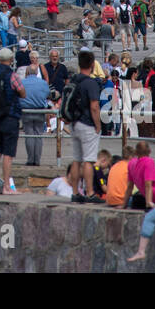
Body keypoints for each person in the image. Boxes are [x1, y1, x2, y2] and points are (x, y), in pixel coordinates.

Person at [0, 47, 27, 196]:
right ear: (11, 60)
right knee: (8, 154)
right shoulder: (13, 76)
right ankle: (6, 188)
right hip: (10, 116)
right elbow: (23, 93)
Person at [64, 50, 103, 202]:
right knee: (89, 160)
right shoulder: (91, 83)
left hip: (74, 123)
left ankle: (75, 192)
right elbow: (94, 106)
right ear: (92, 65)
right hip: (87, 123)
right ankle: (90, 192)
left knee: (76, 159)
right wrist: (98, 125)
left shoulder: (74, 80)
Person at [19, 62, 51, 167]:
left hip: (26, 111)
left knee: (29, 135)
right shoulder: (43, 83)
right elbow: (47, 94)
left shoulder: (22, 82)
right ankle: (37, 160)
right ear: (37, 72)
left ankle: (30, 159)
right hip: (39, 111)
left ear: (27, 72)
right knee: (38, 135)